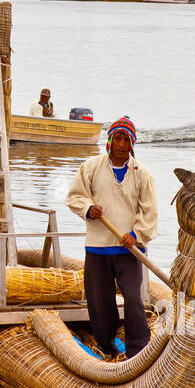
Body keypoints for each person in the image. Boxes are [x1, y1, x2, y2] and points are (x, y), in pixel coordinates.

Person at [65, 116, 158, 358]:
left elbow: (150, 211)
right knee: (100, 302)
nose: (121, 144)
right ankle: (106, 347)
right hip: (97, 248)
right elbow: (75, 197)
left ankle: (138, 348)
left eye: (126, 139)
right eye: (117, 138)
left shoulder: (141, 174)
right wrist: (88, 209)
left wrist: (135, 234)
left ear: (132, 144)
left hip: (128, 249)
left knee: (132, 298)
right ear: (110, 140)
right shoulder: (91, 167)